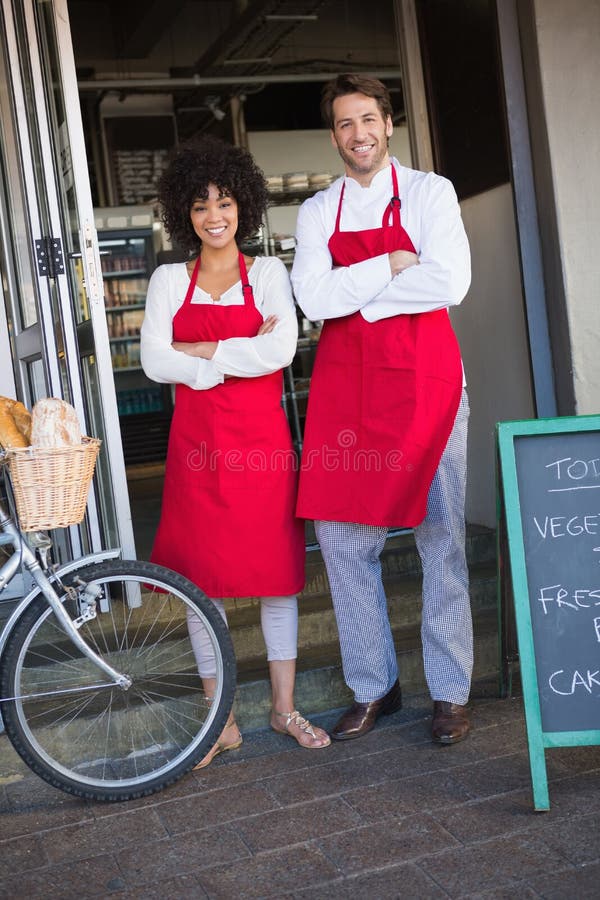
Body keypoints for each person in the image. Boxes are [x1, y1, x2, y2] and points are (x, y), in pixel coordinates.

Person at [291, 74, 473, 745]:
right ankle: (375, 686)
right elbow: (312, 297)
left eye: (367, 119)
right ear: (334, 133)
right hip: (350, 395)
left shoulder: (430, 192)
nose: (358, 134)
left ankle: (450, 693)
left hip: (427, 384)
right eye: (344, 123)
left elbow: (450, 280)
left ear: (387, 123)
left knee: (442, 535)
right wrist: (391, 266)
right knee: (342, 540)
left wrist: (356, 295)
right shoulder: (318, 211)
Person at [141, 134, 330, 766]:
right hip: (197, 450)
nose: (214, 216)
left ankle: (283, 708)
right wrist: (236, 353)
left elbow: (282, 351)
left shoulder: (270, 272)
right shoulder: (169, 279)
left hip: (262, 447)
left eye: (224, 201)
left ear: (243, 205)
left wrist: (200, 353)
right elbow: (152, 361)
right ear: (183, 214)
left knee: (277, 579)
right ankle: (220, 721)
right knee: (203, 583)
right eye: (200, 205)